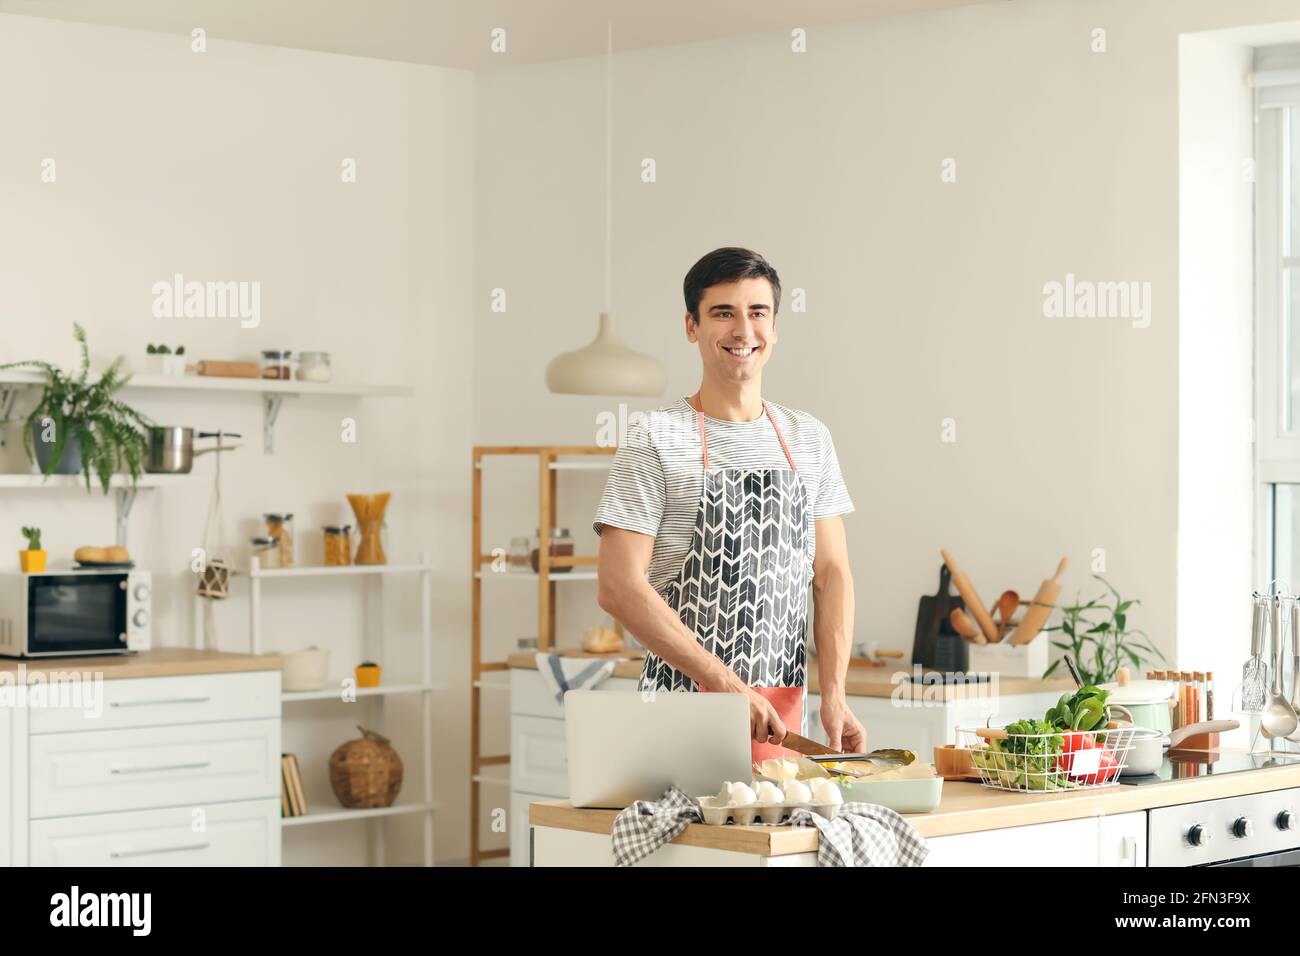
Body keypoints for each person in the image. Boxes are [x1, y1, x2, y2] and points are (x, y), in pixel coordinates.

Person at [594, 246, 865, 760]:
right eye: (723, 313)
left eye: (757, 313)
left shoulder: (809, 438)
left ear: (775, 327)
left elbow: (832, 574)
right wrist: (725, 685)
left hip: (783, 720)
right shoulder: (654, 438)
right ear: (692, 326)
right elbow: (618, 586)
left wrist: (834, 694)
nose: (743, 331)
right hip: (680, 711)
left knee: (779, 835)